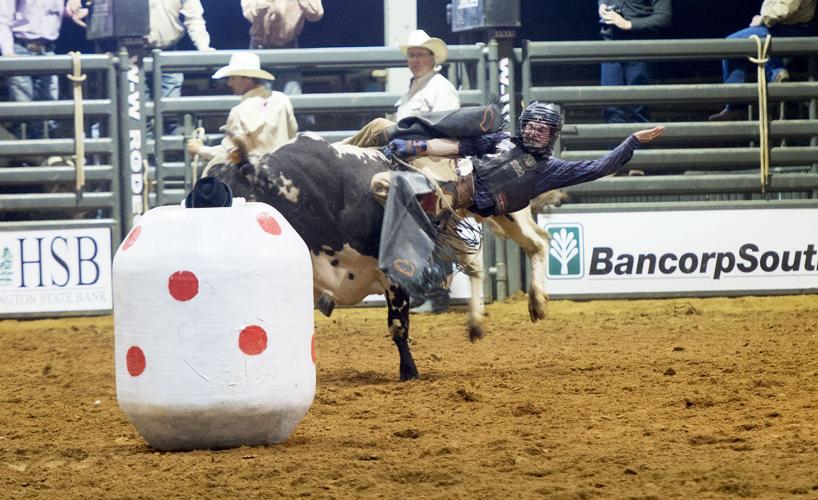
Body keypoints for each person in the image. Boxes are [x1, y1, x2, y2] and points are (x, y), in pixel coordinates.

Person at [371, 101, 664, 300]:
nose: (534, 132)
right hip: (453, 177)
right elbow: (460, 146)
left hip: (458, 197)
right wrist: (415, 145)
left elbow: (599, 167)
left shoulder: (550, 170)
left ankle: (417, 263)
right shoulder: (501, 140)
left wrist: (632, 142)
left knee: (395, 190)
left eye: (542, 128)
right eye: (531, 126)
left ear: (552, 135)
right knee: (386, 182)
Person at [185, 52, 298, 171]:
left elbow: (230, 155)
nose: (229, 83)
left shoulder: (239, 112)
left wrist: (200, 150)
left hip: (258, 178)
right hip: (285, 172)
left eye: (233, 78)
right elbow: (292, 136)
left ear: (247, 78)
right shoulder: (282, 100)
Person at [709, 0, 817, 121]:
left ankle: (736, 106)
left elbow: (786, 10)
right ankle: (776, 71)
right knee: (760, 39)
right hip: (787, 27)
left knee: (731, 44)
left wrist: (763, 19)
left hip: (790, 28)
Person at [0, 0, 88, 139]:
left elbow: (57, 13)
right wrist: (8, 52)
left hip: (47, 48)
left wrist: (74, 9)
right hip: (21, 47)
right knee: (22, 104)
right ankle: (26, 154)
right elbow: (3, 19)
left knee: (49, 103)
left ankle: (46, 153)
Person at [597, 0, 672, 123]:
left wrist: (628, 24)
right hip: (610, 45)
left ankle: (637, 142)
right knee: (611, 108)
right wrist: (603, 5)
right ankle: (616, 143)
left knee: (638, 108)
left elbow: (663, 17)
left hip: (639, 47)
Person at [146, 0, 215, 134]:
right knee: (140, 115)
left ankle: (169, 153)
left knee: (170, 113)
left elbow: (194, 17)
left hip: (168, 51)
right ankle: (146, 154)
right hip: (134, 52)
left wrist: (204, 47)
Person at [240, 0, 324, 97]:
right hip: (260, 48)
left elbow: (316, 14)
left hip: (289, 48)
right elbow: (250, 15)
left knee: (292, 100)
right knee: (259, 103)